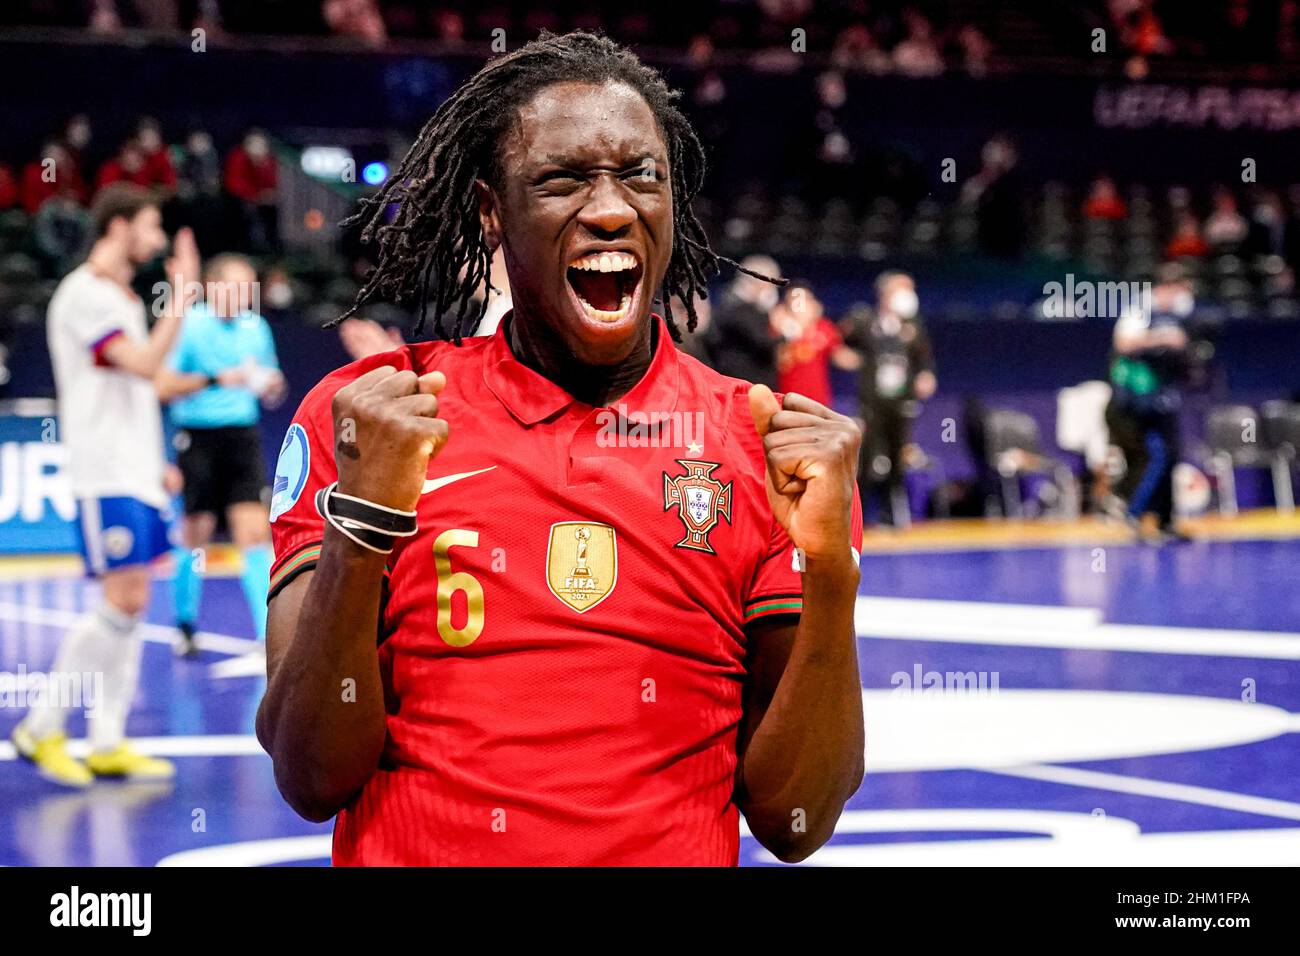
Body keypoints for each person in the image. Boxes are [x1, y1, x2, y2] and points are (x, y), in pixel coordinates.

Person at [257, 31, 865, 867]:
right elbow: (309, 774)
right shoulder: (374, 415)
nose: (611, 208)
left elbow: (796, 823)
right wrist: (361, 526)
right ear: (489, 211)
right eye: (563, 179)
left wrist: (832, 580)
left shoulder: (757, 443)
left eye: (641, 175)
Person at [11, 185, 197, 786]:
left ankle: (108, 740)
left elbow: (142, 385)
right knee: (119, 600)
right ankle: (41, 729)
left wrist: (159, 455)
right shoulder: (85, 295)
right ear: (117, 226)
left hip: (135, 469)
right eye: (149, 225)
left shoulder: (117, 297)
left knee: (134, 601)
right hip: (104, 471)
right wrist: (183, 301)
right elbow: (143, 366)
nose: (157, 238)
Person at [157, 253, 286, 657]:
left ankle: (268, 635)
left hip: (241, 436)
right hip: (197, 437)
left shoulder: (256, 327)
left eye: (248, 286)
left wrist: (270, 385)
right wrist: (217, 380)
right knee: (197, 533)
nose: (243, 295)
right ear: (212, 287)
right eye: (234, 285)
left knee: (252, 532)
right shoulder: (188, 325)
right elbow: (163, 386)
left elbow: (271, 387)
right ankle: (185, 624)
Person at [1105, 264, 1194, 543]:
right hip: (1136, 402)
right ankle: (1133, 517)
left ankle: (1166, 520)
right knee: (1154, 457)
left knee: (1171, 457)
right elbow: (1123, 344)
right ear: (1167, 288)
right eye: (1180, 289)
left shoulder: (1177, 317)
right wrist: (1162, 337)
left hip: (1163, 399)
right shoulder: (1140, 309)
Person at [843, 271, 936, 525]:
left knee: (897, 456)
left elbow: (923, 358)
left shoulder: (913, 327)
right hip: (873, 402)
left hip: (900, 401)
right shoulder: (866, 320)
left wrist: (926, 374)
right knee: (869, 456)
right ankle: (858, 517)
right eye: (903, 288)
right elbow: (843, 339)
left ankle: (891, 513)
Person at [771, 279, 859, 409]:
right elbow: (778, 361)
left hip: (818, 399)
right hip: (786, 399)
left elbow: (839, 355)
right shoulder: (778, 328)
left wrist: (866, 361)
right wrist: (788, 330)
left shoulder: (823, 327)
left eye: (805, 300)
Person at [703, 254, 783, 388]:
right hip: (744, 386)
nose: (772, 291)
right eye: (770, 284)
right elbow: (762, 342)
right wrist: (788, 333)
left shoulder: (739, 306)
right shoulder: (736, 309)